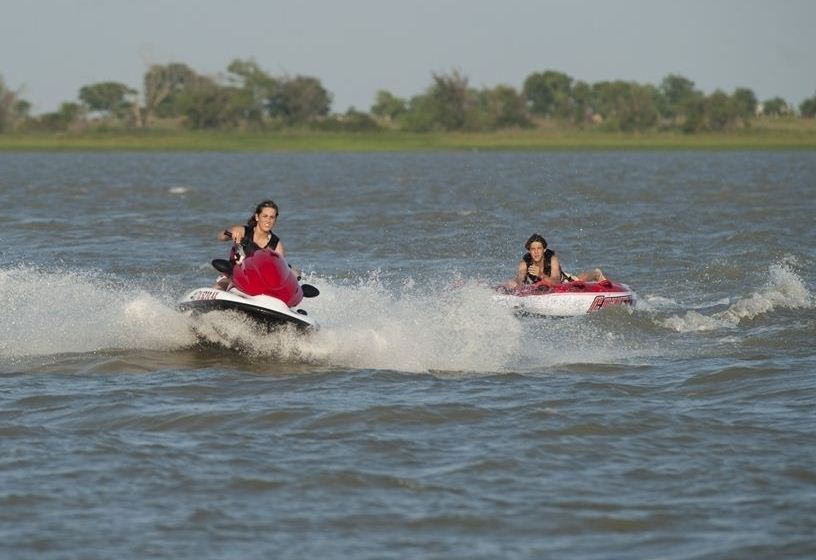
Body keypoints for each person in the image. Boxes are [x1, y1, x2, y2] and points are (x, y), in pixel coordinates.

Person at [214, 200, 285, 289]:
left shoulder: (276, 246)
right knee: (218, 287)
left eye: (272, 217)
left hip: (258, 283)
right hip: (232, 276)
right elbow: (220, 236)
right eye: (265, 216)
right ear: (257, 217)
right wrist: (232, 234)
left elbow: (280, 273)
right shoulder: (243, 231)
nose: (268, 220)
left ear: (275, 220)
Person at [505, 233, 605, 290]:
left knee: (578, 280)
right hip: (540, 285)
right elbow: (519, 280)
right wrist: (514, 285)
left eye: (539, 248)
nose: (536, 252)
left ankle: (596, 273)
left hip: (561, 281)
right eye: (533, 249)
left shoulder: (552, 259)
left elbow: (556, 282)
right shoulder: (524, 264)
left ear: (544, 250)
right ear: (529, 251)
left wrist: (540, 274)